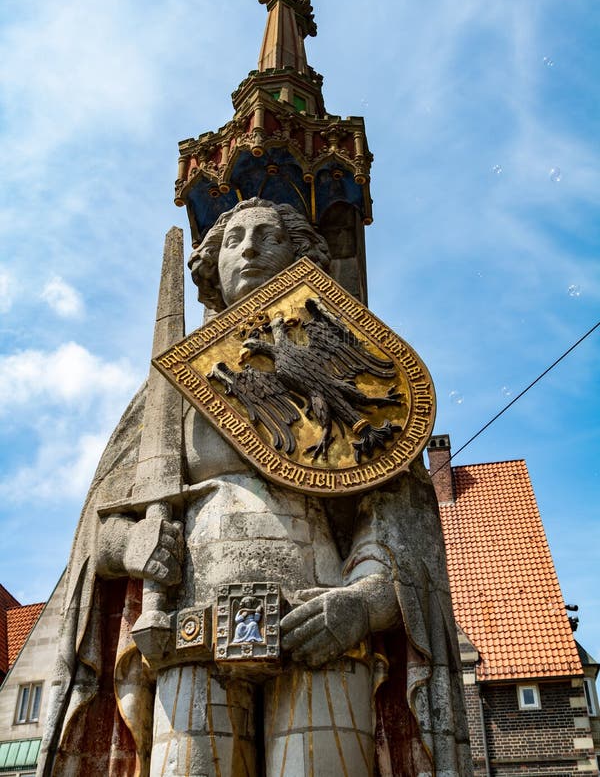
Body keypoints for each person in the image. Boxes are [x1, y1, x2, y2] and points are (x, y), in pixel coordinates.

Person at [39, 198, 472, 777]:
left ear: (300, 257)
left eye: (268, 236)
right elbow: (100, 530)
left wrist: (362, 604)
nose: (248, 249)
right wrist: (133, 545)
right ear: (210, 266)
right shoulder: (169, 397)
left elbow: (398, 523)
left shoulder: (350, 362)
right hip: (190, 624)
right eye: (233, 238)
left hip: (321, 618)